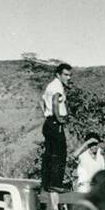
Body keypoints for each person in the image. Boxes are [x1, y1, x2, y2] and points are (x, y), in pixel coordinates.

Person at [41, 63, 72, 193]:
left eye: (69, 75)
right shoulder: (57, 86)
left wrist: (46, 114)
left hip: (49, 122)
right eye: (65, 74)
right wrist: (58, 118)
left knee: (50, 153)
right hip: (54, 123)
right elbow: (54, 101)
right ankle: (55, 183)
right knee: (59, 154)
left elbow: (41, 101)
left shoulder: (50, 85)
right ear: (58, 74)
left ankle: (47, 183)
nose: (68, 77)